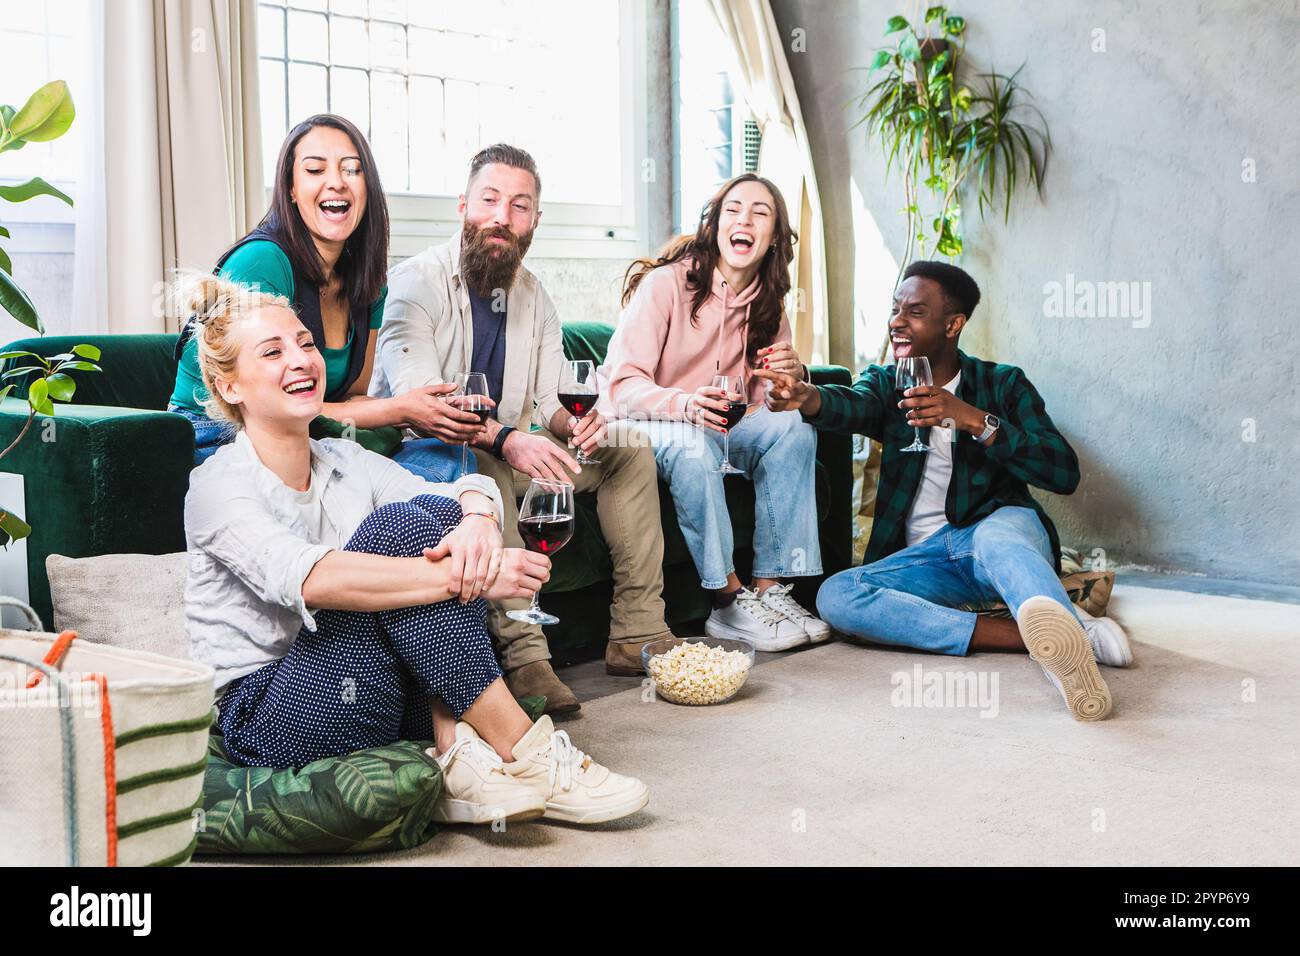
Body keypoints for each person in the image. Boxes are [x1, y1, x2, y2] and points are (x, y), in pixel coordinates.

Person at [181, 273, 649, 825]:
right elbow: (313, 580)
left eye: (305, 343)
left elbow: (456, 495)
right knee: (400, 532)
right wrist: (471, 577)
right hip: (272, 714)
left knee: (433, 519)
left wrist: (477, 521)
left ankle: (456, 753)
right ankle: (527, 751)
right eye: (273, 352)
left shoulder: (343, 458)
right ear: (230, 386)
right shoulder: (217, 484)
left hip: (374, 691)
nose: (301, 360)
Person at [371, 144, 675, 713]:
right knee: (482, 464)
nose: (501, 218)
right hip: (429, 459)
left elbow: (552, 395)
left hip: (508, 450)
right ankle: (524, 656)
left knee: (628, 448)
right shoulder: (415, 283)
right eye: (489, 200)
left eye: (519, 206)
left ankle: (637, 632)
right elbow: (426, 407)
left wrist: (581, 424)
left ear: (535, 220)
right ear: (464, 205)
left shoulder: (534, 294)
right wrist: (512, 440)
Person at [760, 260, 1133, 721]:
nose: (897, 321)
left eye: (914, 312)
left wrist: (976, 420)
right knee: (838, 596)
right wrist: (806, 398)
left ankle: (1068, 665)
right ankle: (1054, 635)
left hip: (995, 531)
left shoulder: (1003, 383)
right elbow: (848, 405)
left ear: (953, 324)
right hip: (929, 561)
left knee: (998, 538)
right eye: (895, 309)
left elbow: (1063, 472)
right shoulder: (886, 383)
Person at [167, 113, 484, 482]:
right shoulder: (263, 262)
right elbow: (269, 408)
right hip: (222, 431)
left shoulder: (369, 281)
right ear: (290, 189)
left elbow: (351, 399)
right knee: (373, 485)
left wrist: (423, 410)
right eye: (315, 170)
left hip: (305, 427)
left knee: (447, 462)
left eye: (351, 170)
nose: (336, 182)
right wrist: (400, 410)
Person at [601, 173, 830, 652]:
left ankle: (770, 590)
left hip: (719, 424)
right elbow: (621, 386)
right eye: (733, 209)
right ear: (715, 225)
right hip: (647, 423)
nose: (744, 219)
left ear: (773, 238)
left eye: (760, 213)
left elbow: (770, 401)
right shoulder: (667, 286)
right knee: (693, 443)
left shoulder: (769, 303)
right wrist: (685, 404)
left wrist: (792, 378)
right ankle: (727, 602)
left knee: (794, 429)